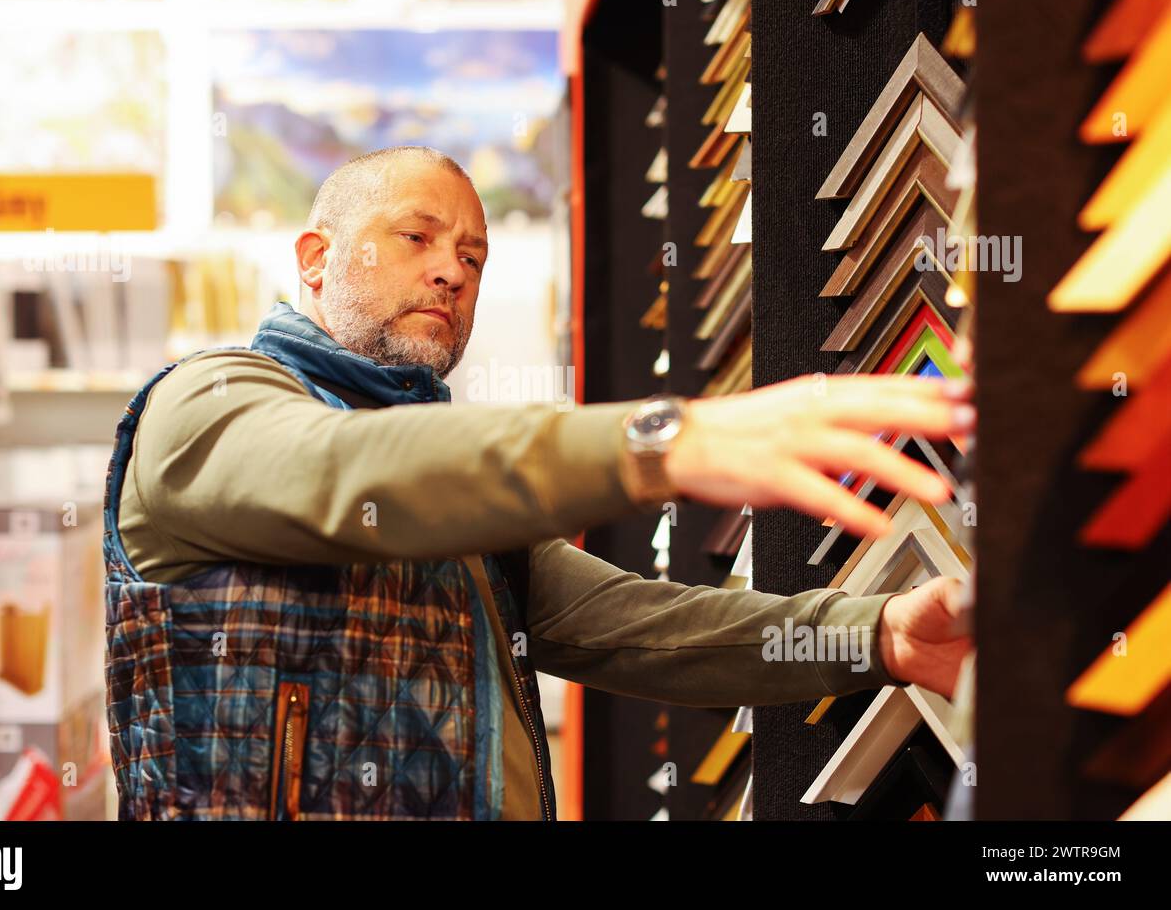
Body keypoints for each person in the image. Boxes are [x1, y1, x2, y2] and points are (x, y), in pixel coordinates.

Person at [104, 145, 973, 821]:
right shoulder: (207, 402)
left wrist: (880, 637)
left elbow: (641, 627)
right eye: (417, 238)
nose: (451, 271)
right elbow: (341, 473)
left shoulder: (448, 485)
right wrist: (660, 442)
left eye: (474, 257)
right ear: (316, 257)